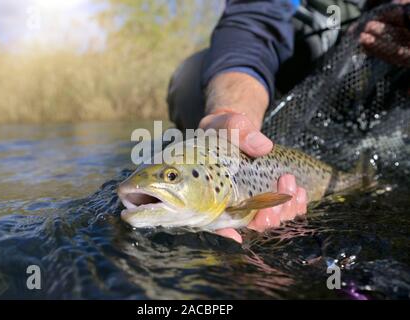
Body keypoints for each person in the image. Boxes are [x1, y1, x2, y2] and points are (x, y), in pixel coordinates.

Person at [167, 0, 410, 243]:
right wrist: (229, 112)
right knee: (191, 79)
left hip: (390, 89)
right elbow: (253, 21)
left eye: (171, 179)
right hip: (297, 68)